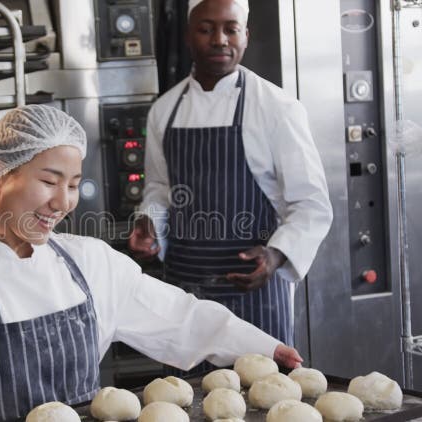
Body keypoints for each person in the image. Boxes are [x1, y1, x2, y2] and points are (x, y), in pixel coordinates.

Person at [0, 104, 303, 422]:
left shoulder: (91, 263)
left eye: (75, 183)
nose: (62, 202)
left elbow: (182, 317)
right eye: (48, 180)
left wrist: (266, 348)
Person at [129, 0, 333, 358]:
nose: (220, 39)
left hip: (255, 293)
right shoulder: (165, 110)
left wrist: (276, 254)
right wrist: (148, 223)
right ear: (188, 37)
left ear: (246, 36)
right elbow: (161, 190)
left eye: (231, 29)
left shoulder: (277, 108)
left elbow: (311, 204)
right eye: (206, 29)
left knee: (265, 401)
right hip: (184, 296)